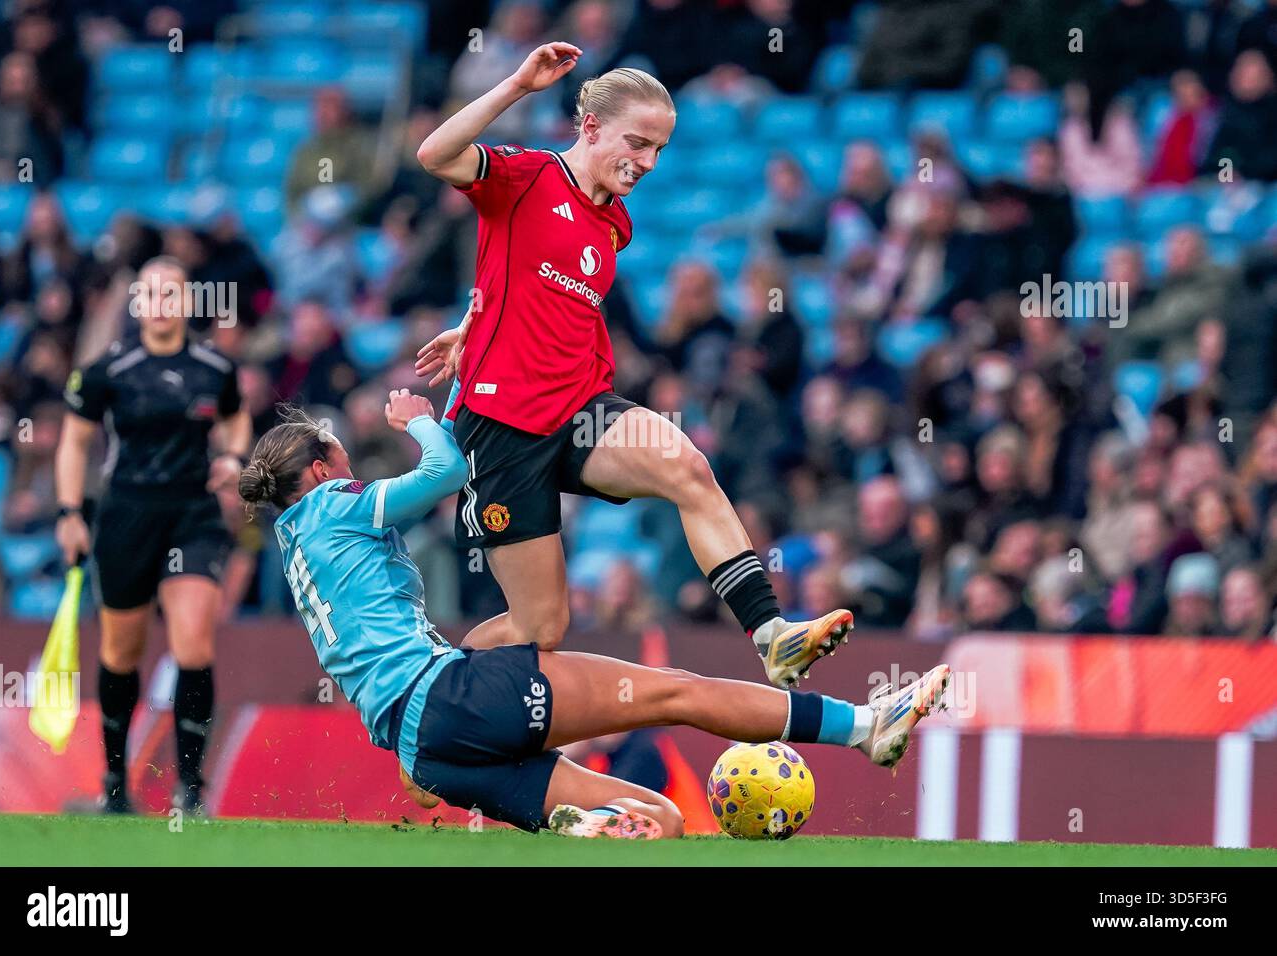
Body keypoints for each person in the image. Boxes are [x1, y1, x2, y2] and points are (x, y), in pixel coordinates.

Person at [239, 394, 950, 838]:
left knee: (659, 821)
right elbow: (444, 474)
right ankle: (862, 726)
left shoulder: (294, 541)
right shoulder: (334, 504)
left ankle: (587, 832)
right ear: (323, 466)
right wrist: (423, 423)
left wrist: (459, 383)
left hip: (427, 747)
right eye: (338, 448)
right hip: (452, 701)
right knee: (674, 692)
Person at [413, 42, 851, 688]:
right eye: (638, 144)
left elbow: (533, 285)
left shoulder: (614, 223)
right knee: (541, 629)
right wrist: (517, 85)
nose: (647, 163)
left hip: (581, 409)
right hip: (502, 427)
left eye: (659, 151)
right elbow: (434, 155)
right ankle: (428, 696)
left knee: (688, 467)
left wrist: (473, 320)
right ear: (590, 128)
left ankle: (772, 636)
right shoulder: (525, 176)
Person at [54, 257, 251, 814]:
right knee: (122, 652)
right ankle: (115, 787)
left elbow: (236, 419)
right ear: (137, 304)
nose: (161, 303)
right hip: (125, 516)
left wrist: (234, 456)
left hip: (193, 514)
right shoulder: (107, 370)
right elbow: (73, 443)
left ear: (188, 302)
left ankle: (191, 791)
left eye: (172, 293)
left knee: (193, 641)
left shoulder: (216, 366)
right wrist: (70, 512)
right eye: (150, 294)